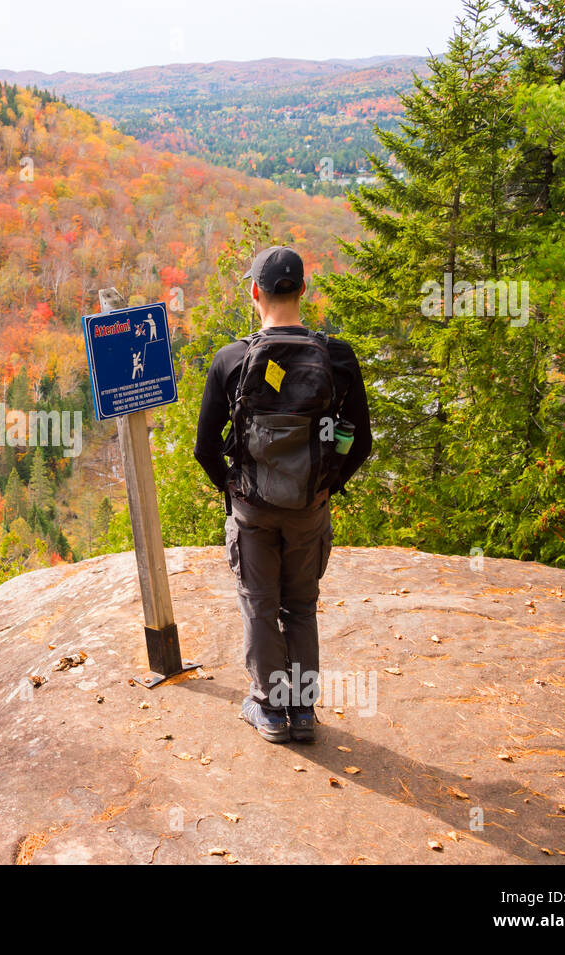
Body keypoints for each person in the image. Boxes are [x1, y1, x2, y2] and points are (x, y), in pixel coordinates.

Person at [193, 246, 371, 743]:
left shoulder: (231, 360)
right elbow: (360, 441)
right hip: (308, 508)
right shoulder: (336, 357)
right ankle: (304, 712)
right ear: (303, 292)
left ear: (255, 291)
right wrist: (324, 487)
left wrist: (234, 492)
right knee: (301, 606)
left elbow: (206, 448)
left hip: (252, 510)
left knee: (259, 603)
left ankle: (270, 710)